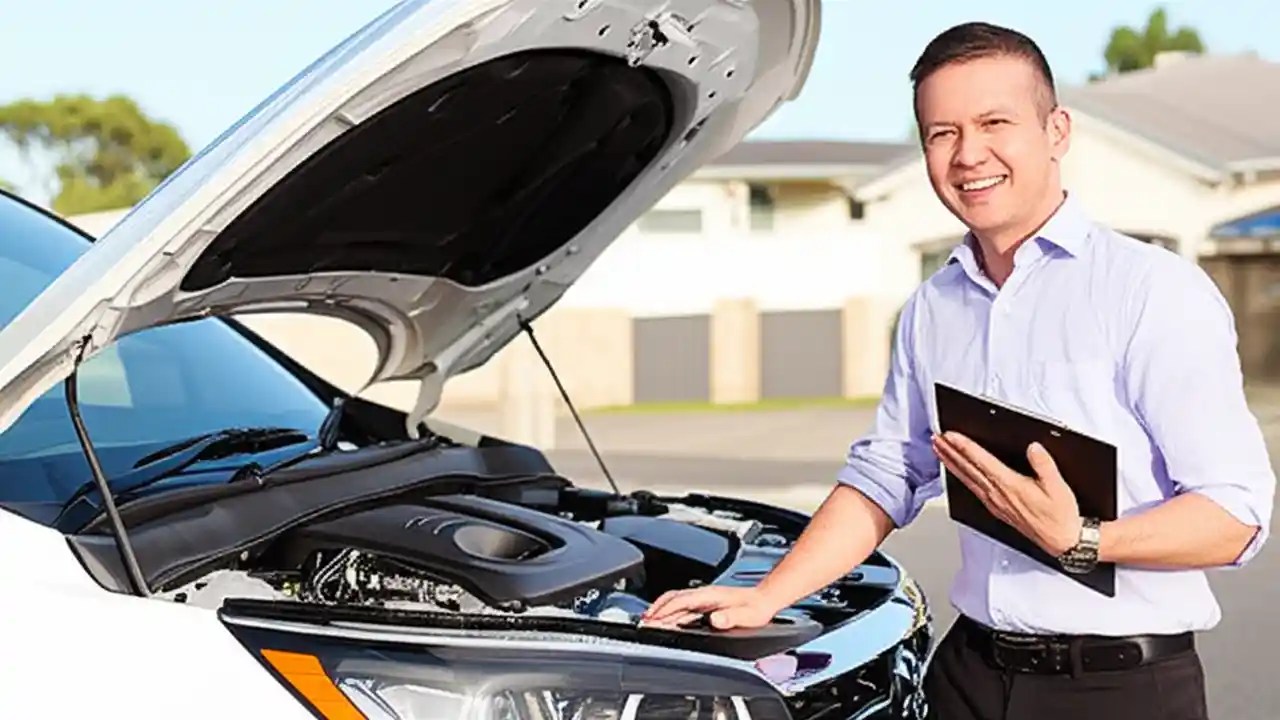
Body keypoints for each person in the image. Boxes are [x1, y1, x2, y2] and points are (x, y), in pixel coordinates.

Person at [641, 20, 1276, 720]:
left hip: (1117, 688)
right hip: (968, 677)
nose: (968, 154)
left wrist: (1085, 540)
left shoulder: (1151, 292)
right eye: (942, 133)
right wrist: (767, 595)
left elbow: (1236, 516)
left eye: (994, 122)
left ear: (1057, 131)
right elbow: (885, 475)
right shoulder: (931, 307)